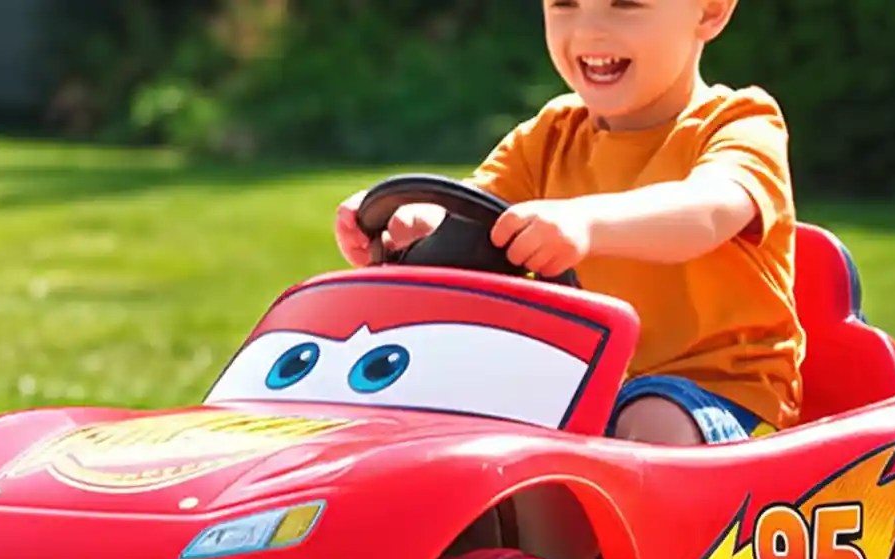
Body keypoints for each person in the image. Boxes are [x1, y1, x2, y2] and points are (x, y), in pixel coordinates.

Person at [333, 0, 802, 447]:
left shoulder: (740, 122)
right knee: (465, 406)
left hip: (724, 397)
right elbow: (471, 211)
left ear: (711, 10)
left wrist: (586, 222)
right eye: (564, 4)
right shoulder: (549, 135)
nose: (588, 29)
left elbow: (706, 211)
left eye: (626, 4)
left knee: (651, 418)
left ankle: (638, 529)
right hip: (577, 383)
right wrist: (407, 220)